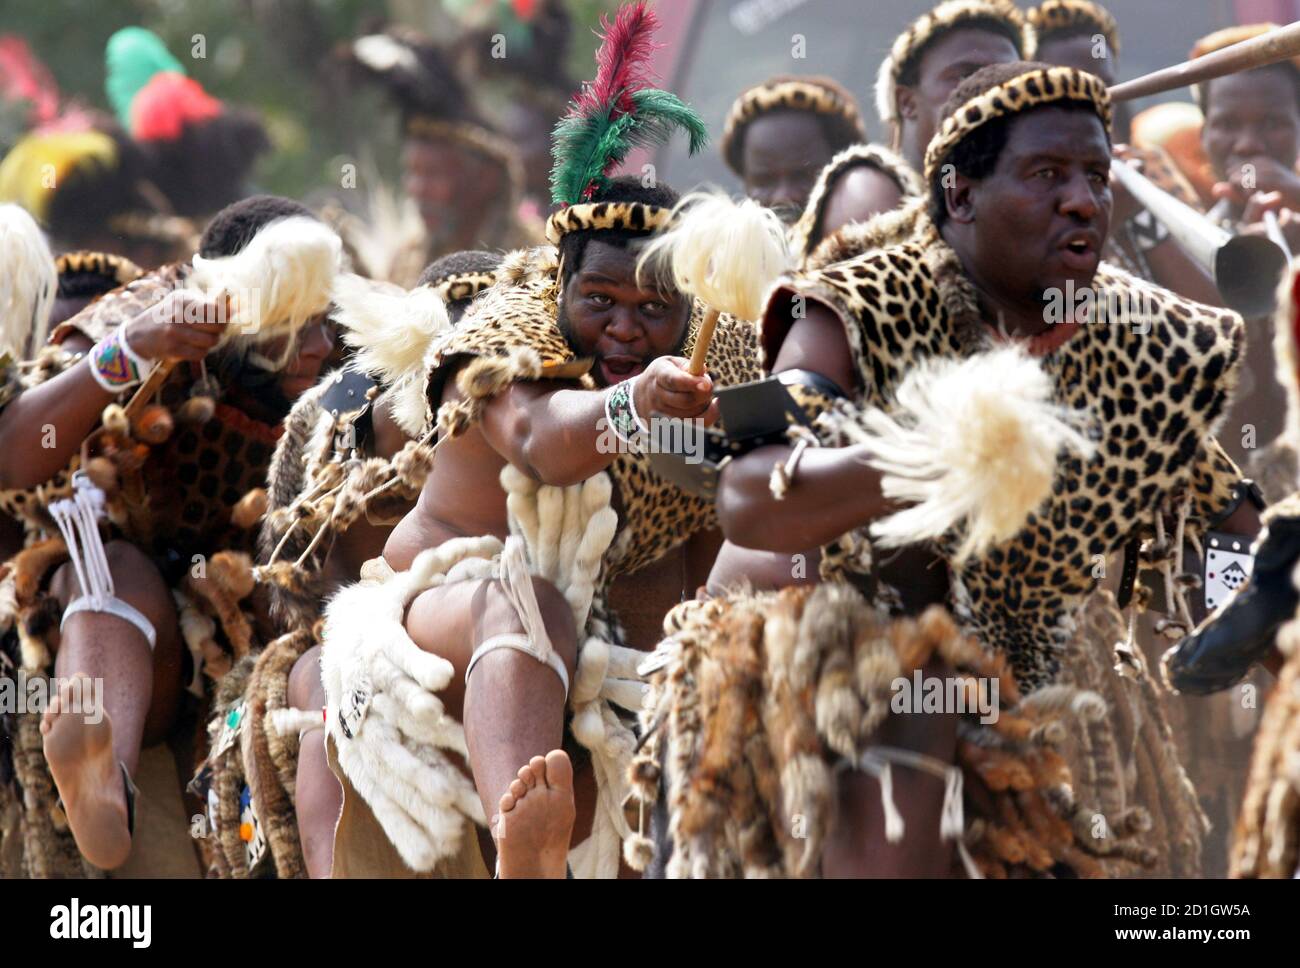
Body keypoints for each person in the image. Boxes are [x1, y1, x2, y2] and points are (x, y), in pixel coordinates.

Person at [661, 61, 1257, 878]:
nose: (1083, 200)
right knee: (916, 691)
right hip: (818, 654)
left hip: (1017, 674)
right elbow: (750, 491)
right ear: (961, 195)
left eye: (1095, 175)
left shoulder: (1134, 335)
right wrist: (933, 456)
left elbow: (1234, 530)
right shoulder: (852, 308)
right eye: (1046, 174)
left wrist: (1246, 617)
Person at [318, 2, 762, 879]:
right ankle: (523, 831)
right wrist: (636, 405)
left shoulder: (717, 354)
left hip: (620, 649)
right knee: (525, 604)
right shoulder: (501, 335)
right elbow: (545, 440)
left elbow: (740, 520)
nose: (626, 329)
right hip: (443, 611)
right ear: (561, 284)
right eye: (600, 301)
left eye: (651, 310)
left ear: (684, 309)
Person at [0, 195, 341, 873]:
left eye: (323, 322)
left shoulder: (346, 364)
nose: (319, 346)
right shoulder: (153, 317)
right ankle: (105, 788)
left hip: (264, 618)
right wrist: (130, 351)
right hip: (121, 613)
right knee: (114, 572)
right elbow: (14, 455)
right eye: (293, 326)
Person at [208, 249, 505, 879]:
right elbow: (295, 574)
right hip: (347, 638)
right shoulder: (340, 415)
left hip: (503, 624)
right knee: (329, 693)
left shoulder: (541, 401)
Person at [1029, 0, 1220, 306]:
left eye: (1103, 86)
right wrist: (1106, 220)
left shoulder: (1148, 166)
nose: (1092, 102)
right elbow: (1052, 313)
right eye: (1070, 87)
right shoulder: (1028, 184)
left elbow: (1214, 314)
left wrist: (1140, 207)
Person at [344, 26, 537, 275]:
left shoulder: (537, 266)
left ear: (486, 179)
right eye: (413, 172)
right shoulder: (404, 267)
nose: (416, 188)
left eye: (433, 173)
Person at [720, 74, 867, 223]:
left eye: (803, 176)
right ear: (745, 182)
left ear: (845, 172)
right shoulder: (715, 244)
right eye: (764, 181)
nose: (784, 197)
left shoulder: (881, 241)